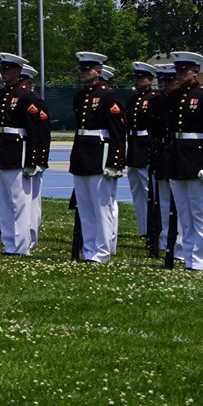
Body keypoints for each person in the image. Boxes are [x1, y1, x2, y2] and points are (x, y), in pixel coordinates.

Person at [160, 52, 203, 270]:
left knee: (201, 212)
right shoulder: (174, 97)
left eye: (184, 70)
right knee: (184, 214)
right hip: (177, 159)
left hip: (197, 159)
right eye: (177, 70)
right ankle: (189, 257)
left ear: (195, 71)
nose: (179, 74)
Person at [67, 53, 125, 262]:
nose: (82, 73)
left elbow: (118, 133)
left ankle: (102, 251)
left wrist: (115, 162)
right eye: (81, 69)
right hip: (82, 155)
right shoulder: (80, 97)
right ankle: (89, 249)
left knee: (101, 208)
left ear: (98, 72)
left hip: (100, 155)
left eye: (87, 69)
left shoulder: (109, 97)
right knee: (85, 208)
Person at [0, 54, 48, 255]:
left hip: (18, 153)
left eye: (8, 69)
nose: (4, 72)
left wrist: (33, 160)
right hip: (2, 153)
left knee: (19, 203)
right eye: (2, 69)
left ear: (18, 71)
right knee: (5, 203)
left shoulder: (27, 97)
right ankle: (9, 244)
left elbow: (34, 132)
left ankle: (21, 246)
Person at [122, 62, 159, 251]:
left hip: (146, 147)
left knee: (148, 190)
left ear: (150, 80)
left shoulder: (155, 99)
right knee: (136, 190)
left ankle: (154, 226)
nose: (137, 81)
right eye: (136, 78)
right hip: (134, 147)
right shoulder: (132, 100)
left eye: (141, 78)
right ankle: (144, 227)